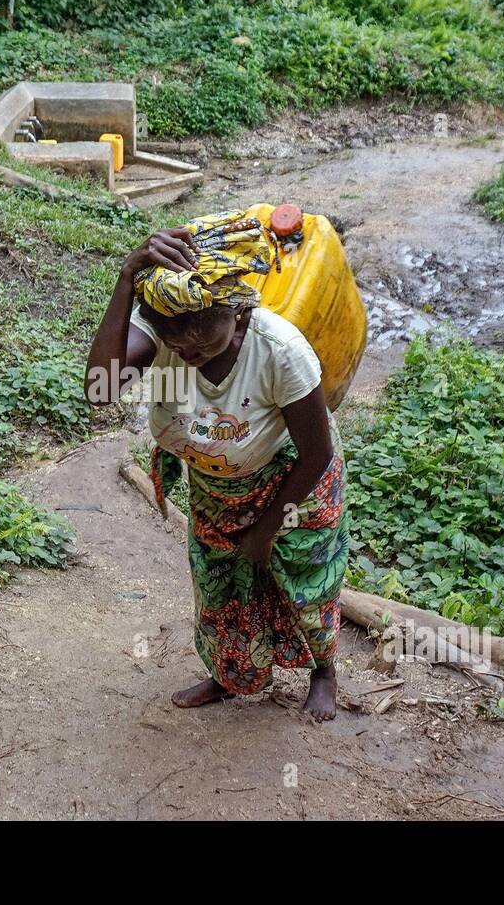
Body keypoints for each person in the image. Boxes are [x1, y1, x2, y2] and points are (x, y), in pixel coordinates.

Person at [85, 210, 350, 721]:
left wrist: (267, 529)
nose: (189, 357)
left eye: (205, 344)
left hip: (295, 481)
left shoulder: (278, 351)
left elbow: (316, 454)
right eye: (178, 346)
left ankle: (324, 671)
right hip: (216, 486)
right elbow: (100, 391)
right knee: (217, 587)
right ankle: (229, 675)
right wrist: (125, 278)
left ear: (240, 312)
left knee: (306, 581)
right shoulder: (166, 337)